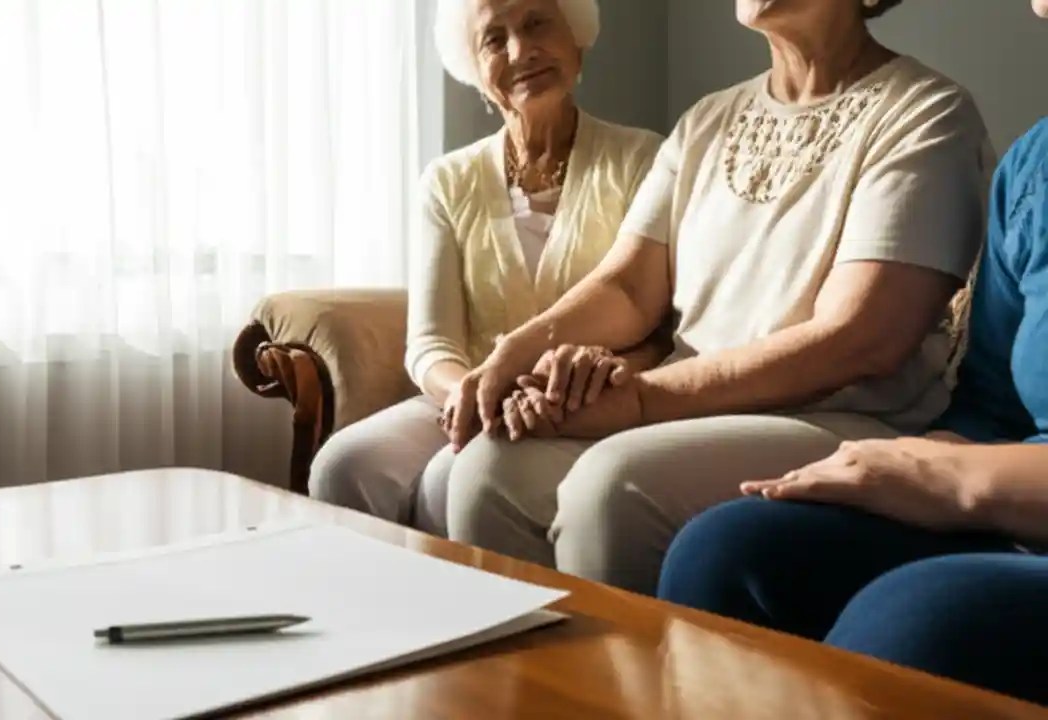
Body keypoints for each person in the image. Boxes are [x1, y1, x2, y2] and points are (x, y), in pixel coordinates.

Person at [439, 0, 995, 594]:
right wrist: (514, 356)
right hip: (690, 409)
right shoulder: (706, 120)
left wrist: (643, 399)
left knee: (612, 485)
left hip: (841, 419)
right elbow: (629, 287)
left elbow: (858, 339)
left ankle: (634, 662)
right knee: (488, 469)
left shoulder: (926, 112)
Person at [657, 0, 1048, 705]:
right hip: (1010, 509)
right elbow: (991, 406)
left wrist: (960, 481)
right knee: (727, 550)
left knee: (915, 622)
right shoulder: (1033, 169)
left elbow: (859, 337)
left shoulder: (924, 113)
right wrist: (906, 463)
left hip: (1015, 503)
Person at [308, 0, 664, 535]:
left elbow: (661, 327)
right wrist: (475, 396)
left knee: (448, 479)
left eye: (537, 23)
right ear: (475, 70)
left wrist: (593, 385)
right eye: (494, 39)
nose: (521, 51)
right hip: (470, 394)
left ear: (577, 39)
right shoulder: (447, 181)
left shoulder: (642, 159)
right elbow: (431, 345)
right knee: (344, 465)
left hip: (585, 401)